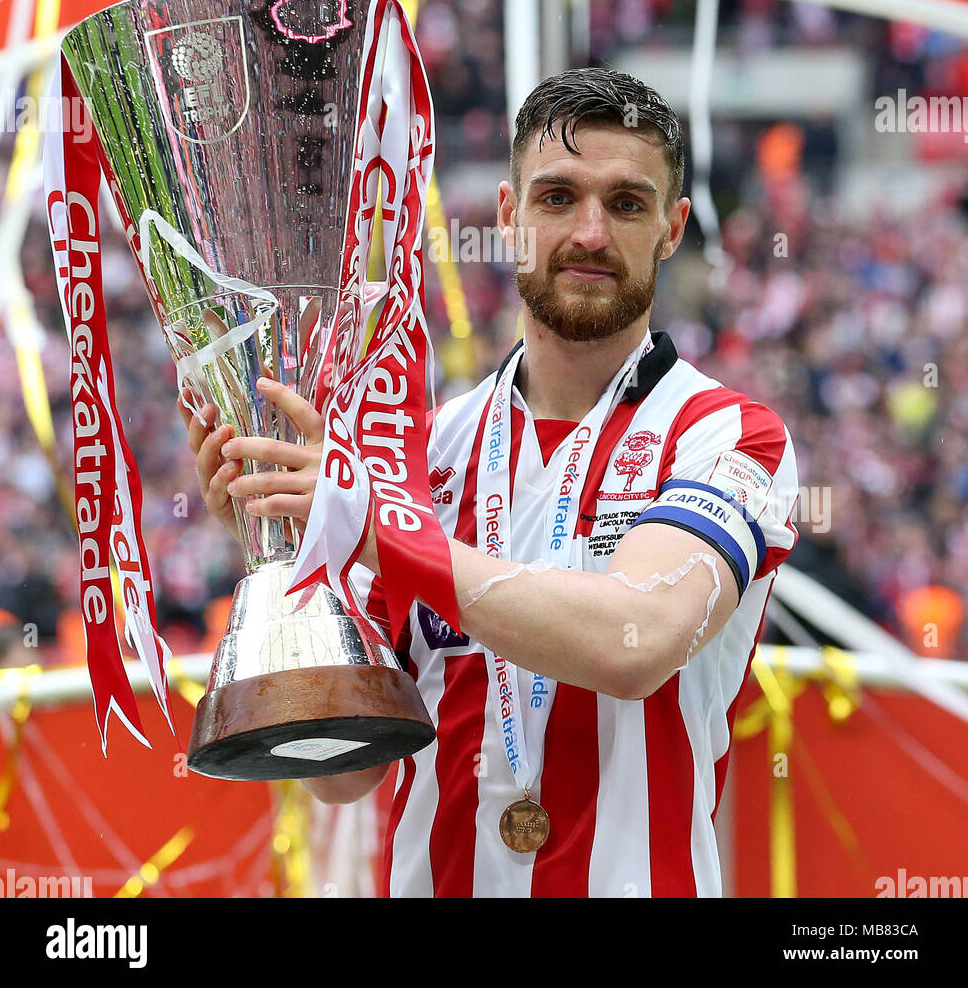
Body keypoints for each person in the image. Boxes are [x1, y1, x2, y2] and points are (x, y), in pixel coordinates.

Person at [180, 69, 799, 898]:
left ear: (671, 228)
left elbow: (638, 644)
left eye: (625, 203)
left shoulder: (727, 435)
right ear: (508, 217)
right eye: (556, 198)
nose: (588, 232)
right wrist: (285, 552)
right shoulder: (418, 457)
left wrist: (376, 532)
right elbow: (342, 773)